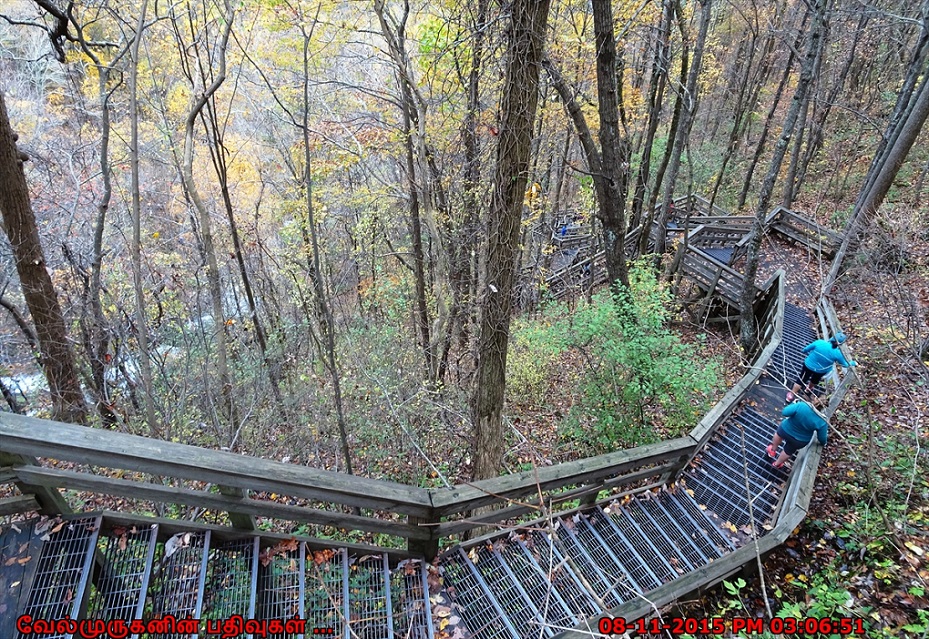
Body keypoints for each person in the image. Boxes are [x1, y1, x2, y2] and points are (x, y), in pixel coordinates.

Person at [786, 332, 857, 403]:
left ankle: (791, 395)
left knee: (802, 379)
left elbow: (805, 350)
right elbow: (845, 365)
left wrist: (810, 352)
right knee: (815, 380)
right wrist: (853, 363)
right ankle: (808, 389)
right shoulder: (838, 354)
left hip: (808, 365)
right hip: (821, 370)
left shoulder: (819, 342)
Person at [766, 400, 828, 469]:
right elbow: (822, 438)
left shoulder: (802, 405)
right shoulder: (822, 421)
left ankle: (772, 450)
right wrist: (824, 443)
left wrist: (793, 403)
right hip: (800, 440)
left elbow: (785, 412)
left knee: (779, 435)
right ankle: (777, 464)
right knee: (788, 451)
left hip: (786, 429)